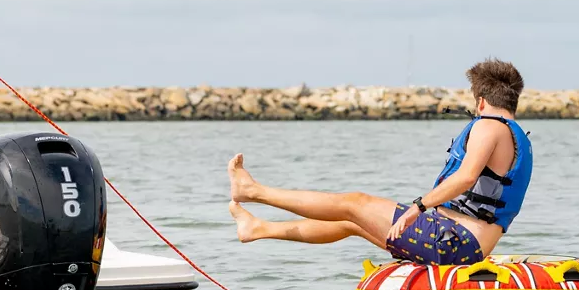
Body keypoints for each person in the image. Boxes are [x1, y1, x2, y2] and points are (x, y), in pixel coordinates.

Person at [227, 59, 532, 266]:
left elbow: (465, 178)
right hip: (463, 244)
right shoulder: (518, 136)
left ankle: (253, 192)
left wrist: (418, 208)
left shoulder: (488, 125)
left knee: (353, 202)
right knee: (351, 222)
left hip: (454, 243)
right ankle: (258, 228)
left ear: (480, 101)